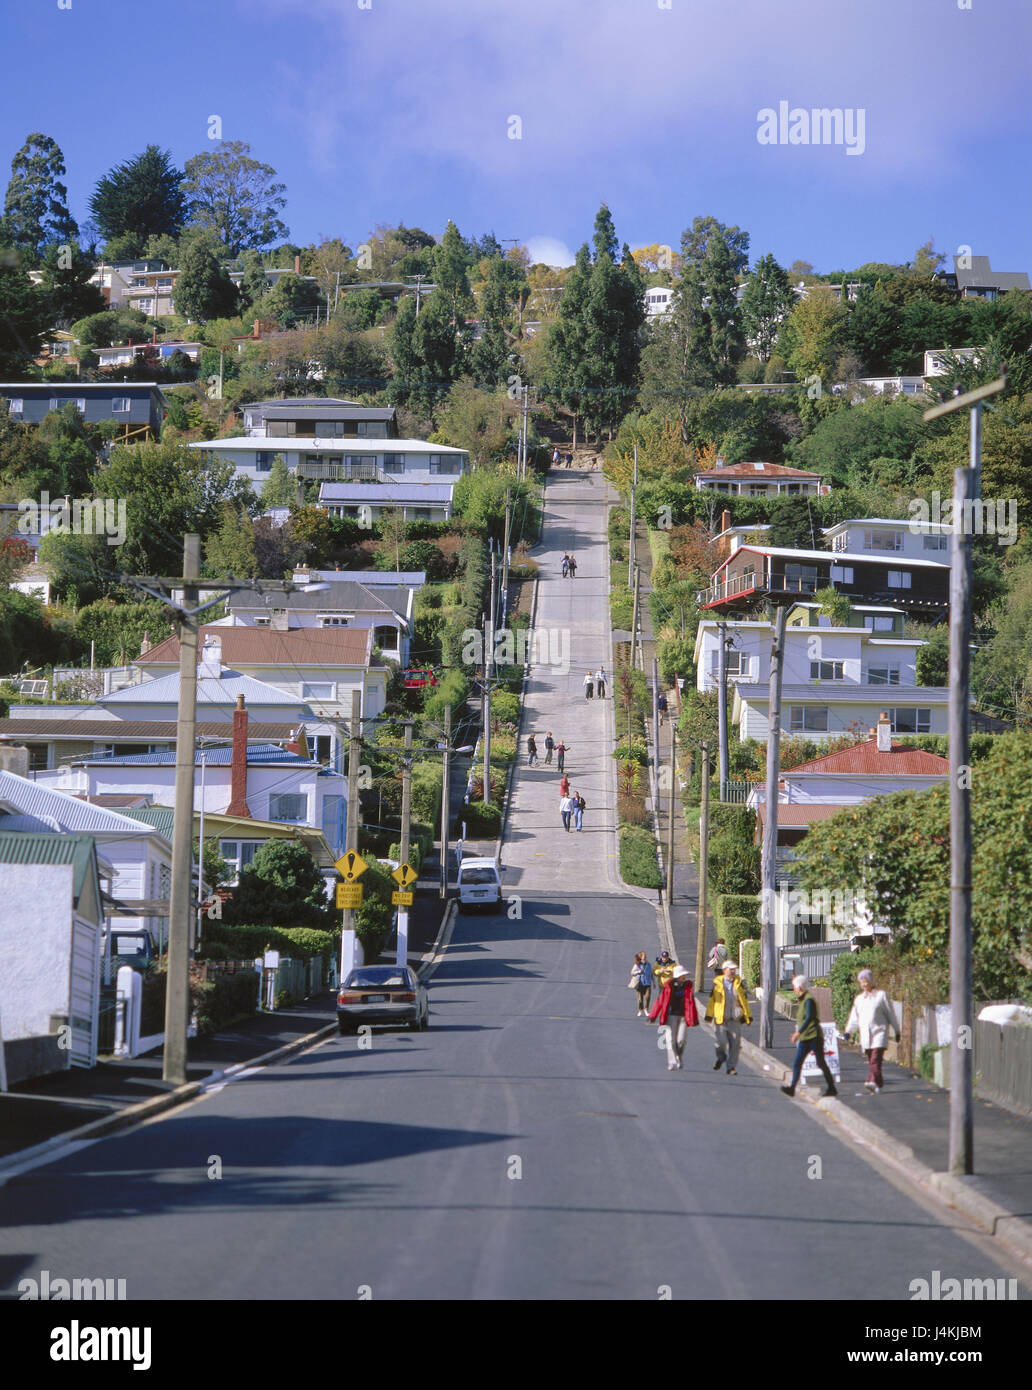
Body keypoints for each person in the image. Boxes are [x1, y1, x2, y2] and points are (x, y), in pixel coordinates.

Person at [845, 969, 901, 1094]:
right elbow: (854, 1017)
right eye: (862, 982)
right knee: (872, 1060)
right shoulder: (859, 999)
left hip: (879, 1032)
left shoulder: (881, 995)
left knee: (875, 1058)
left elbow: (890, 1013)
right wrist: (848, 1030)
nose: (864, 984)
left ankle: (871, 1080)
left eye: (866, 981)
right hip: (865, 1034)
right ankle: (878, 1084)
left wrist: (897, 1030)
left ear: (871, 981)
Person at [781, 974, 838, 1098]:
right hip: (805, 1038)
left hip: (814, 1037)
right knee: (798, 1062)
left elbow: (809, 1017)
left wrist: (798, 1032)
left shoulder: (809, 1000)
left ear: (799, 987)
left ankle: (832, 1087)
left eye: (794, 986)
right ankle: (792, 1088)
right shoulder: (803, 1000)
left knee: (820, 1062)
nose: (794, 989)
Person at [705, 959, 752, 1076]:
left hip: (735, 1019)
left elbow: (744, 1001)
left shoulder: (739, 983)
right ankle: (721, 1056)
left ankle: (731, 1067)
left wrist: (748, 1016)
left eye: (734, 970)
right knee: (721, 1042)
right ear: (724, 970)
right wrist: (709, 1015)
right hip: (721, 1018)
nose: (733, 972)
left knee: (735, 1044)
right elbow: (712, 1001)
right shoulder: (717, 984)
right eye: (731, 970)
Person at [649, 965, 699, 1070]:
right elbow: (660, 1001)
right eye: (683, 975)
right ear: (678, 976)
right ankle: (672, 1061)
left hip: (684, 1017)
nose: (685, 976)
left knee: (681, 1040)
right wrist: (653, 1016)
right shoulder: (669, 987)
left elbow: (691, 1004)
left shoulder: (688, 987)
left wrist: (694, 1018)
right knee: (670, 1040)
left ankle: (678, 1056)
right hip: (670, 1016)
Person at [629, 951, 653, 1017]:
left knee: (648, 997)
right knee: (640, 998)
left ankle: (646, 1009)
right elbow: (632, 973)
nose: (645, 958)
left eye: (646, 957)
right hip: (640, 983)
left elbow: (651, 974)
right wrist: (637, 972)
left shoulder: (649, 964)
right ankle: (640, 1010)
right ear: (641, 958)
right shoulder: (637, 964)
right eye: (644, 957)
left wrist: (654, 983)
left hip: (648, 983)